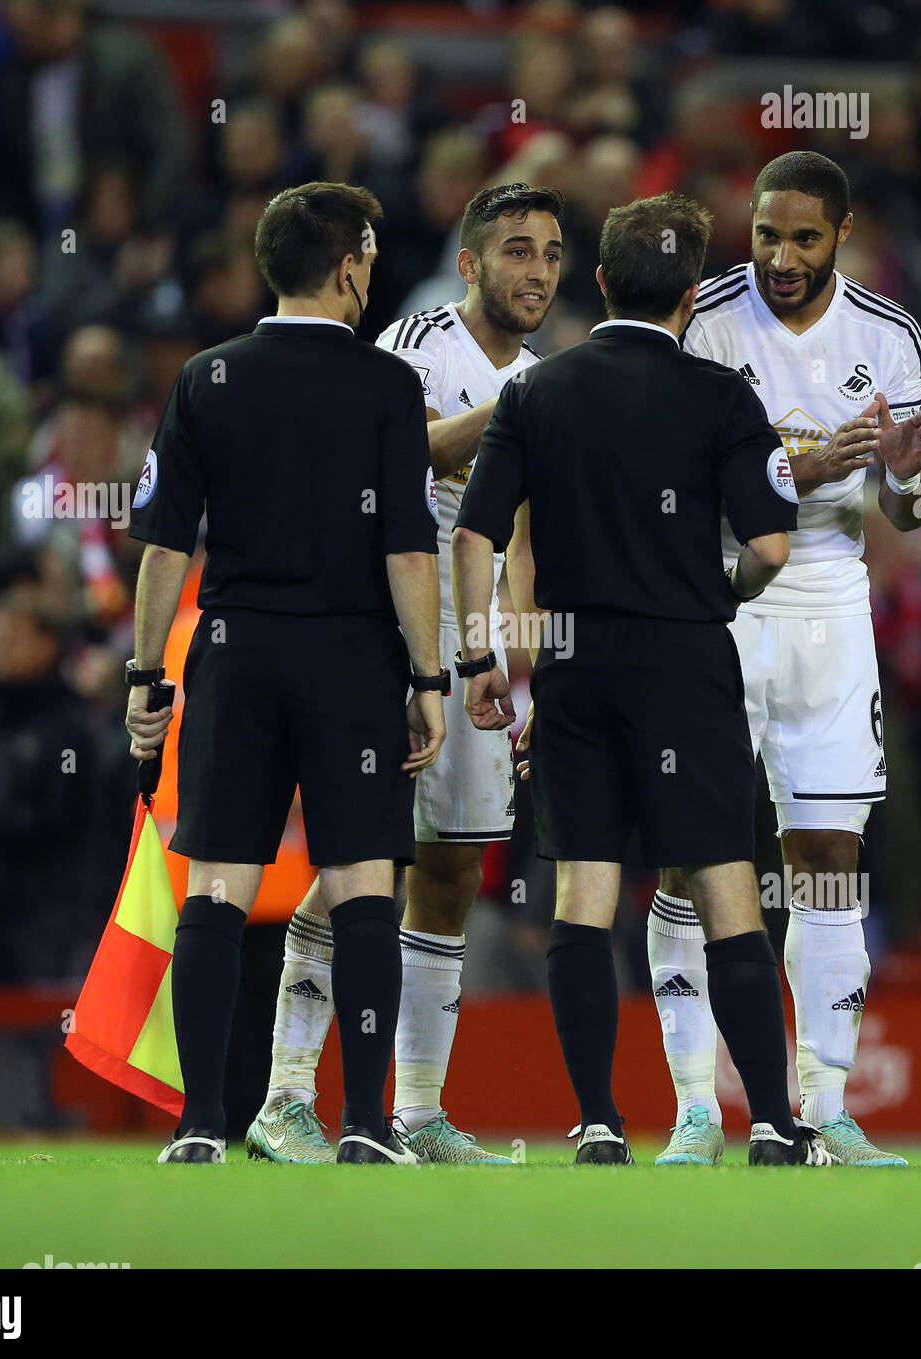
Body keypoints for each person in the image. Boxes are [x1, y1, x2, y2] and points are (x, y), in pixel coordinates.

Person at [454, 191, 831, 1166]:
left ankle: (595, 1122)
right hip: (684, 657)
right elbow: (772, 548)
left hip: (577, 664)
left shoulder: (539, 393)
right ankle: (778, 1127)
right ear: (694, 295)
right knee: (722, 887)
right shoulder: (721, 398)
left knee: (582, 888)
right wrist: (718, 583)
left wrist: (482, 656)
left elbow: (476, 532)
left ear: (604, 280)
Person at [125, 182, 446, 1165]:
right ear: (349, 266)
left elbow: (164, 551)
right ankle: (360, 1125)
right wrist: (429, 676)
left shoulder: (206, 377)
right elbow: (407, 553)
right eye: (369, 257)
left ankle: (198, 1128)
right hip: (350, 655)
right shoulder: (386, 385)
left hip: (235, 652)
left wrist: (147, 678)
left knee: (216, 888)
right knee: (360, 888)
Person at [248, 183, 563, 1165]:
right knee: (364, 857)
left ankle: (419, 1114)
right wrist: (512, 413)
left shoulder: (541, 373)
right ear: (469, 264)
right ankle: (285, 1096)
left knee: (455, 867)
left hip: (476, 637)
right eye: (515, 251)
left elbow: (519, 531)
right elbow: (401, 455)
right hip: (391, 621)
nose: (537, 273)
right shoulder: (417, 342)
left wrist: (524, 652)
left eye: (551, 254)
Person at [640, 152, 921, 1166]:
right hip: (716, 598)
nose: (779, 257)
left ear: (841, 234)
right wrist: (793, 468)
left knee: (827, 856)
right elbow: (666, 483)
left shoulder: (890, 337)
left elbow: (909, 504)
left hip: (829, 604)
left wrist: (904, 481)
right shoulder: (705, 318)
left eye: (803, 238)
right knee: (695, 860)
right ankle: (690, 1109)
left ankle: (823, 1109)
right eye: (766, 235)